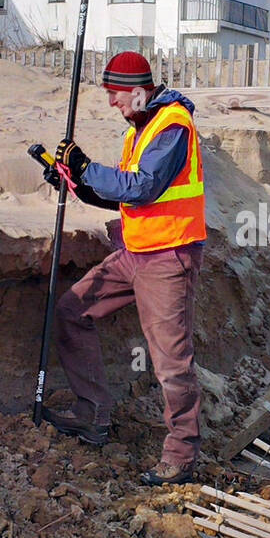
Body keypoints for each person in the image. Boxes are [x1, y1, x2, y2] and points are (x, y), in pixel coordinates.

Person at [40, 51, 206, 486]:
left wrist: (86, 166)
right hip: (137, 251)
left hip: (169, 257)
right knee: (72, 312)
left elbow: (145, 187)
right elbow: (124, 196)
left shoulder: (172, 125)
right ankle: (92, 416)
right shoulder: (140, 132)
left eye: (115, 95)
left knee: (171, 363)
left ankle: (181, 456)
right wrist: (75, 182)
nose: (112, 103)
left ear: (137, 91)